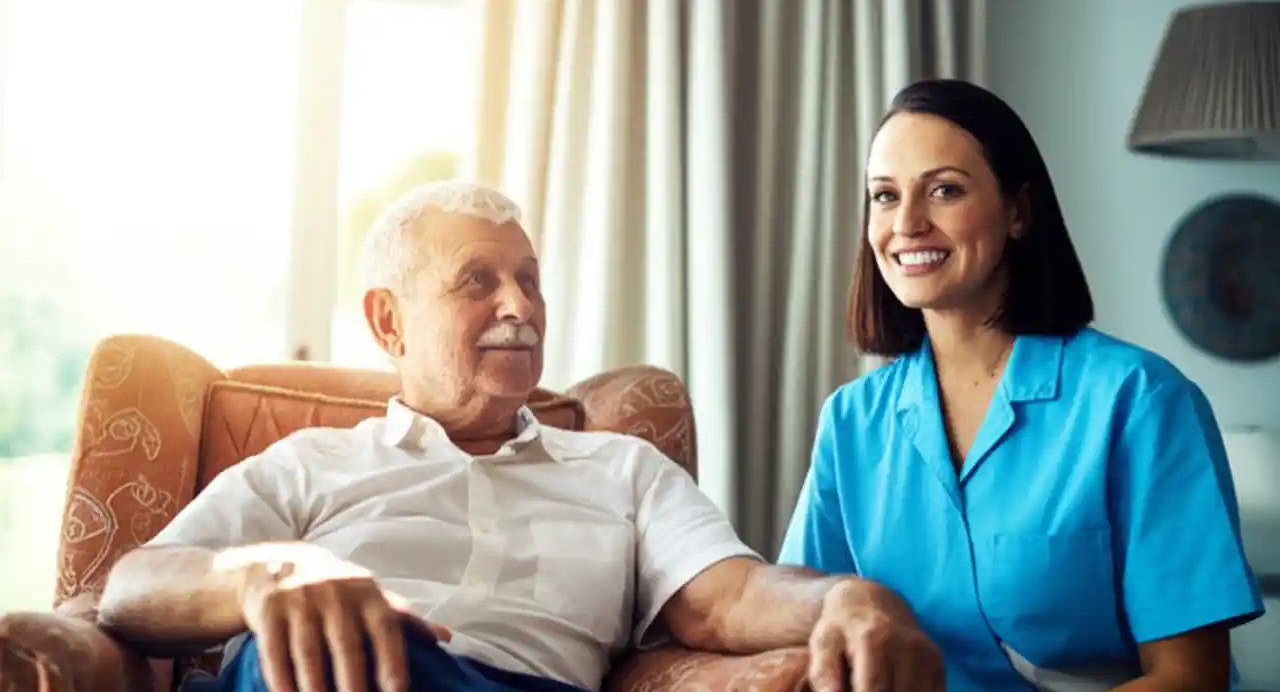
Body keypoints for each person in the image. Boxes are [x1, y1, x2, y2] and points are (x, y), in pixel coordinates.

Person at [97, 181, 943, 692]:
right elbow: (128, 590)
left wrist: (846, 598)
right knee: (321, 651)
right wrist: (266, 580)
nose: (520, 307)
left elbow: (728, 597)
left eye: (529, 280)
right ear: (388, 323)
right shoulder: (309, 465)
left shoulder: (624, 470)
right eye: (478, 282)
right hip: (317, 679)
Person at [779, 78, 1265, 691]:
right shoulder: (850, 423)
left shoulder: (1140, 401)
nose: (907, 223)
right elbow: (801, 623)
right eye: (884, 196)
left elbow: (1191, 678)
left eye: (944, 190)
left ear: (1018, 211)